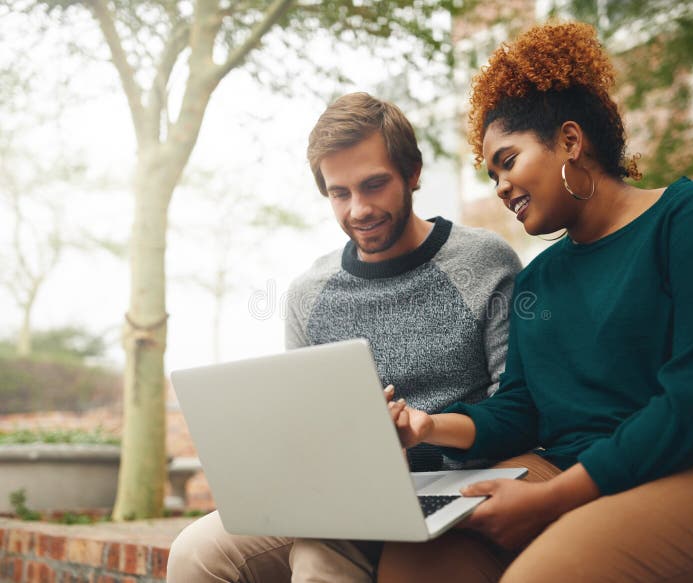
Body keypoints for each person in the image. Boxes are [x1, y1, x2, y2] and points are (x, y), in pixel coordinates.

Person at [378, 22, 693, 583]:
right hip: (577, 474)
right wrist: (427, 426)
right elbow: (520, 410)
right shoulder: (537, 281)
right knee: (414, 561)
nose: (499, 187)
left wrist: (553, 501)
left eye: (508, 160)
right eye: (491, 174)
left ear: (571, 142)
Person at [166, 92, 522, 582]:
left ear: (413, 173)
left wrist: (425, 430)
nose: (359, 209)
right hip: (341, 495)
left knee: (318, 561)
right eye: (340, 193)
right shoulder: (308, 293)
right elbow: (305, 430)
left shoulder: (483, 262)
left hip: (454, 486)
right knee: (194, 553)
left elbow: (516, 410)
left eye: (374, 185)